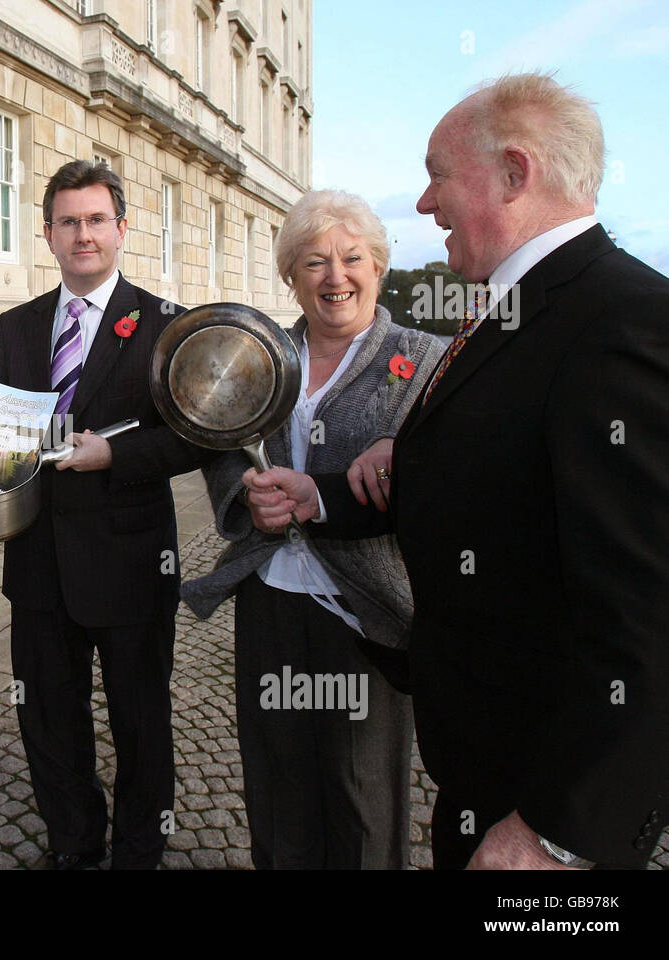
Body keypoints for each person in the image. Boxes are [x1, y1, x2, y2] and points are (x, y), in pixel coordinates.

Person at [243, 73, 668, 869]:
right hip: (481, 767)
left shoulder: (626, 320)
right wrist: (321, 495)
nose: (426, 202)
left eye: (438, 172)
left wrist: (559, 833)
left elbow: (650, 612)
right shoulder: (512, 310)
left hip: (532, 809)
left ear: (514, 172)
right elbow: (489, 485)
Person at [182, 190, 443, 869]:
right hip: (269, 597)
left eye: (352, 259)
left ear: (379, 266)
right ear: (290, 276)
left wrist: (392, 467)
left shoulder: (424, 361)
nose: (335, 278)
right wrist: (244, 495)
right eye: (313, 262)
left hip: (363, 609)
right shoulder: (260, 355)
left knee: (362, 799)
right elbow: (218, 441)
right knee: (275, 781)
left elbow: (449, 481)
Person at [0, 160, 205, 869]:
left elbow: (195, 436)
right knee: (50, 722)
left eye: (96, 220)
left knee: (140, 723)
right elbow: (3, 428)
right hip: (39, 560)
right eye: (68, 222)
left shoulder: (168, 327)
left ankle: (137, 853)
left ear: (121, 228)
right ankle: (75, 845)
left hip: (132, 561)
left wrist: (117, 458)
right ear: (47, 233)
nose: (83, 235)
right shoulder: (16, 326)